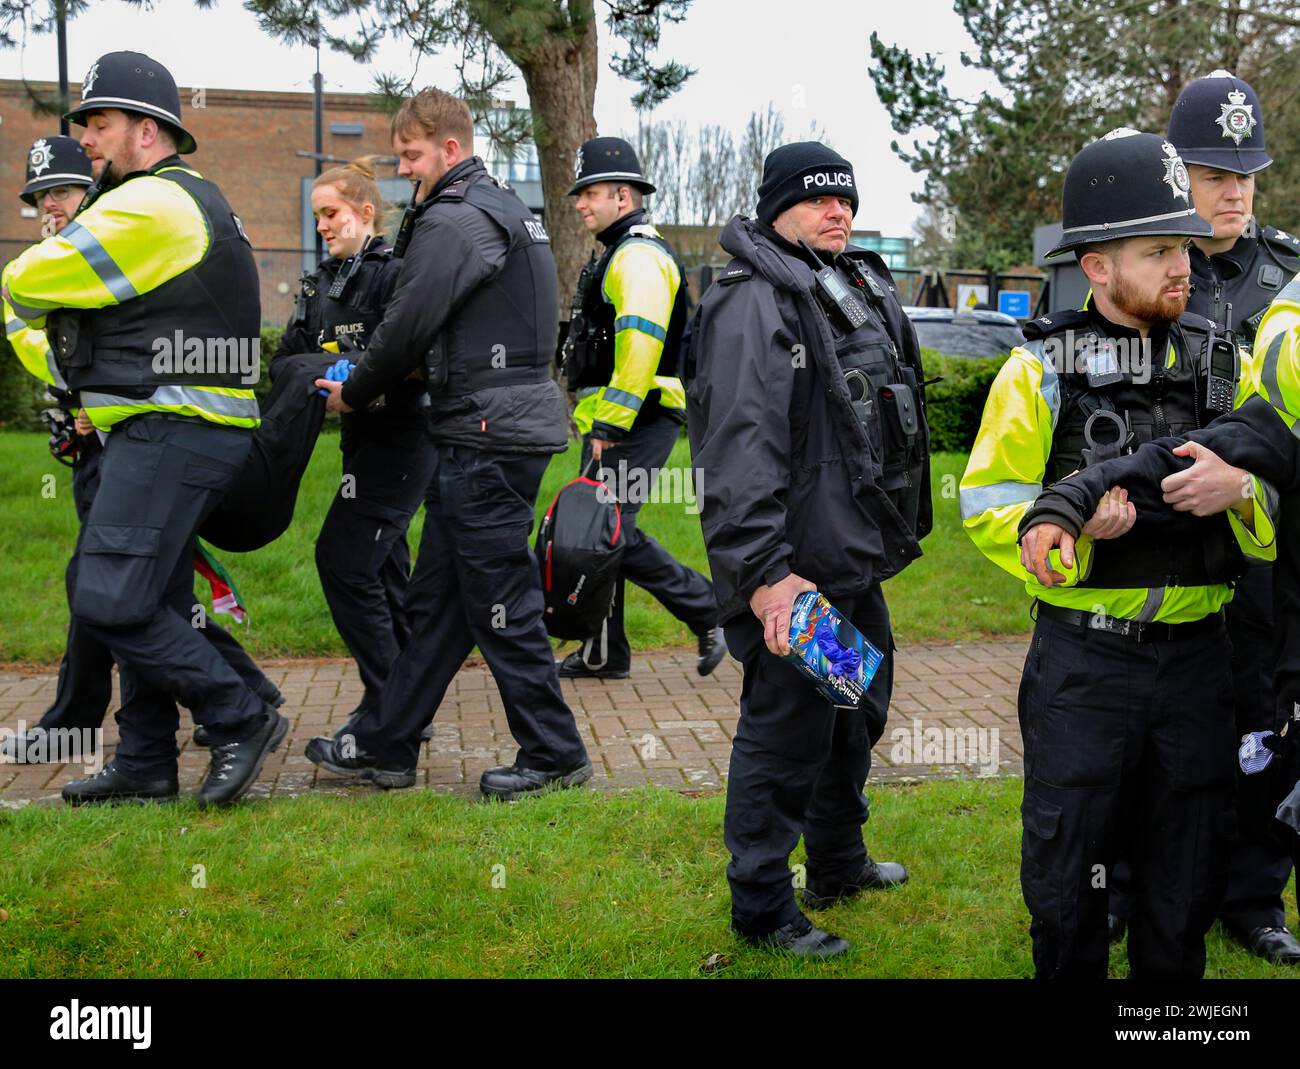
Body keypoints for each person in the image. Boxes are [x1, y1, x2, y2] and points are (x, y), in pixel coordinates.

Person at [960, 129, 1277, 979]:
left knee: (1185, 891)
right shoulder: (1039, 371)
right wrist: (1061, 542)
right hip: (1086, 670)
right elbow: (988, 502)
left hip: (1202, 669)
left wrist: (1242, 495)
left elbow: (1281, 491)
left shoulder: (1228, 366)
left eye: (1183, 246)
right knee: (1070, 889)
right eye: (1158, 250)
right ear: (1096, 267)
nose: (1184, 265)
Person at [1, 51, 287, 806]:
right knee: (149, 599)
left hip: (172, 428)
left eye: (99, 122)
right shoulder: (174, 198)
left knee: (105, 596)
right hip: (179, 428)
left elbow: (26, 280)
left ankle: (239, 711)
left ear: (148, 129)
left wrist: (32, 282)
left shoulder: (149, 204)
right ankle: (146, 760)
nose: (88, 138)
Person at [305, 87, 590, 799]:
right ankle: (388, 743)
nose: (404, 170)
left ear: (450, 150)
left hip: (485, 435)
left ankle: (554, 752)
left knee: (501, 600)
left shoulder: (455, 218)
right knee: (441, 603)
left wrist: (354, 391)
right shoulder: (500, 209)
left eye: (411, 156)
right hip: (496, 427)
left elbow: (405, 323)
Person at [686, 142, 931, 957]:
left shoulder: (833, 283)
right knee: (787, 729)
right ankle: (762, 905)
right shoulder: (752, 302)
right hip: (795, 572)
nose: (839, 213)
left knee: (856, 705)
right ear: (776, 206)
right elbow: (739, 448)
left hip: (846, 554)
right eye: (820, 200)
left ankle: (835, 858)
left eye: (847, 202)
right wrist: (765, 577)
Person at [1152, 70, 1300, 964]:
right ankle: (1129, 885)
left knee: (1267, 718)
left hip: (1265, 543)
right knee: (1150, 724)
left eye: (1245, 175)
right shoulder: (1136, 256)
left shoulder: (1291, 278)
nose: (1234, 192)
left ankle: (1255, 898)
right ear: (1179, 174)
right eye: (1214, 174)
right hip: (1162, 533)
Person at [266, 158, 434, 741]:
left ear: (366, 212)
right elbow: (284, 361)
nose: (323, 227)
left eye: (331, 214)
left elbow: (418, 360)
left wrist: (357, 378)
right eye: (317, 217)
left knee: (342, 558)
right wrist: (329, 370)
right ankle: (403, 702)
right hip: (359, 446)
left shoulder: (397, 275)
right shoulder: (319, 284)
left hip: (407, 438)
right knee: (385, 571)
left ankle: (393, 712)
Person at [558, 136, 722, 680]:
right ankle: (605, 652)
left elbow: (641, 345)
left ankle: (708, 609)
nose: (579, 203)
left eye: (590, 192)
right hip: (628, 416)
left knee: (604, 533)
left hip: (637, 416)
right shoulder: (623, 252)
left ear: (622, 196)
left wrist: (611, 421)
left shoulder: (638, 257)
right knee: (599, 530)